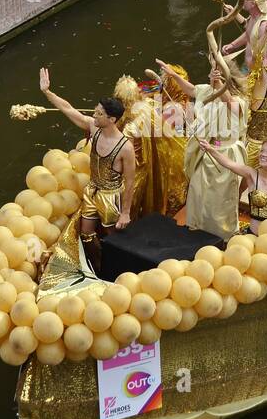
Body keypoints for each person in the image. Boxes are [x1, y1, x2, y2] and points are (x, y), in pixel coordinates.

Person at [37, 67, 135, 271]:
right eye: (96, 110)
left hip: (111, 196)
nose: (94, 114)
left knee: (115, 237)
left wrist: (125, 212)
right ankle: (99, 268)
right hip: (92, 191)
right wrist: (48, 92)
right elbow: (69, 109)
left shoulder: (125, 147)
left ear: (112, 120)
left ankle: (123, 268)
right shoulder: (94, 127)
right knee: (87, 234)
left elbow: (131, 181)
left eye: (100, 113)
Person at [159, 61, 249, 239]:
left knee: (219, 201)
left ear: (225, 79)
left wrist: (219, 87)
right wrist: (174, 75)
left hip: (225, 155)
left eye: (214, 74)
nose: (210, 77)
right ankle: (198, 229)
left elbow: (230, 102)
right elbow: (191, 90)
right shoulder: (207, 91)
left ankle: (222, 236)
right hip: (204, 152)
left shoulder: (240, 101)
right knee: (198, 193)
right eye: (211, 73)